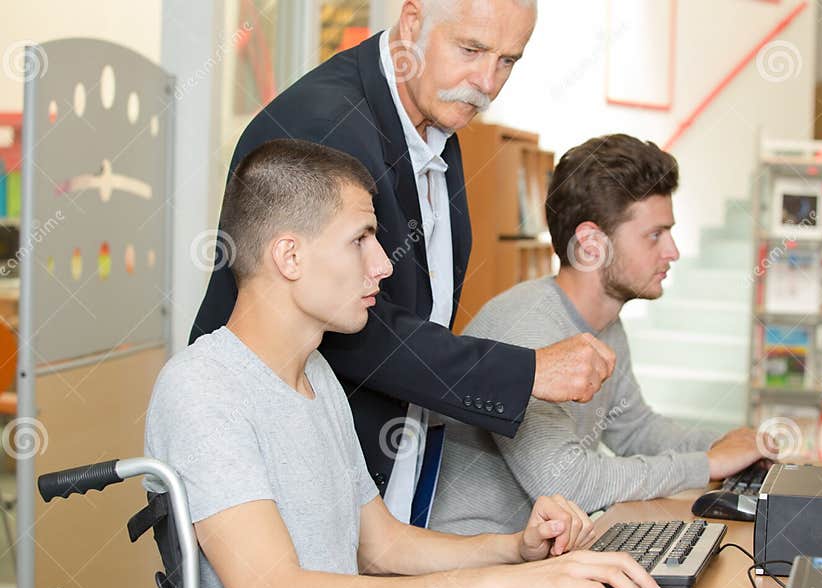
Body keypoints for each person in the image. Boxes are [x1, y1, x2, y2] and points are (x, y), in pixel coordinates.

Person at [146, 140, 663, 588]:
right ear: (290, 256)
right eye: (360, 240)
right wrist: (503, 585)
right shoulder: (203, 389)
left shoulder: (316, 375)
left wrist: (517, 552)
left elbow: (382, 547)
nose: (383, 265)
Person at [189, 0, 616, 523]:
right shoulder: (324, 123)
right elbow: (350, 323)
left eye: (508, 60)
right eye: (472, 49)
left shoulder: (434, 114)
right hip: (289, 466)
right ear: (412, 22)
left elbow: (420, 305)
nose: (486, 81)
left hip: (388, 465)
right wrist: (524, 372)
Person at [429, 135, 766, 536]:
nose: (673, 251)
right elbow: (569, 480)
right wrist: (708, 464)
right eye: (655, 235)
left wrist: (734, 446)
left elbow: (636, 430)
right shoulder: (526, 328)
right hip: (479, 567)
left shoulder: (605, 322)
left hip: (539, 554)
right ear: (591, 245)